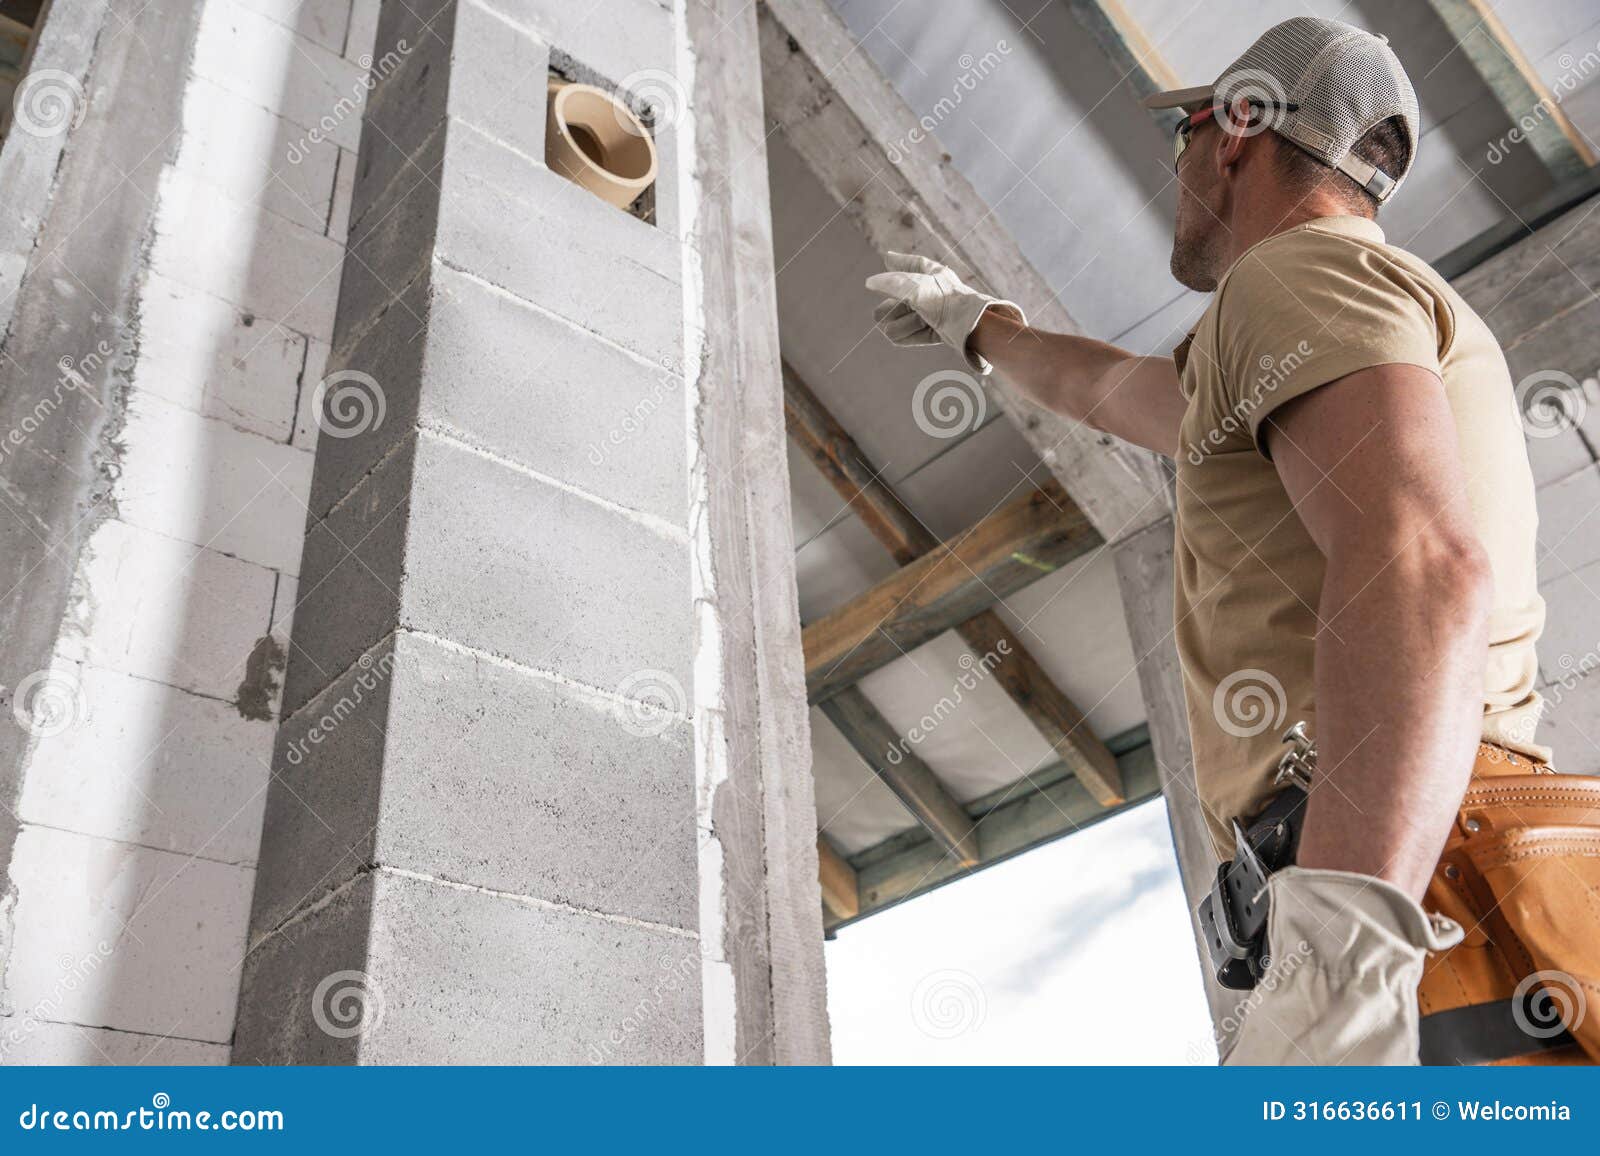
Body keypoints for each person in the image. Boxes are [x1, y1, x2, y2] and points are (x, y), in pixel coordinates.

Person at [865, 16, 1598, 1065]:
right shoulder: (1294, 328)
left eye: (1183, 141)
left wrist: (1341, 955)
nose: (1176, 173)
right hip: (1426, 878)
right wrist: (974, 322)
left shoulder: (1292, 276)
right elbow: (1115, 392)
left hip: (1407, 892)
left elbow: (1423, 567)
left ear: (1238, 130)